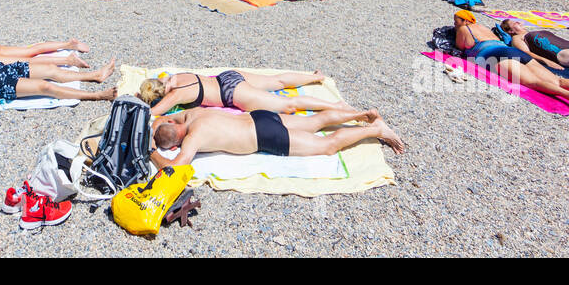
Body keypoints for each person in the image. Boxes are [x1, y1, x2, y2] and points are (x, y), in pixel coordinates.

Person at [451, 10, 569, 114]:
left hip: (493, 55)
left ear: (465, 20)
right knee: (557, 79)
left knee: (532, 81)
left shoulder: (464, 29)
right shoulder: (486, 29)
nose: (454, 23)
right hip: (510, 50)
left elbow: (462, 47)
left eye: (456, 20)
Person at [150, 105, 405, 169]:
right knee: (313, 122)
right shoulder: (192, 115)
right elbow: (160, 119)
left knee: (326, 146)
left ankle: (376, 129)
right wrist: (155, 126)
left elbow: (175, 168)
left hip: (262, 135)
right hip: (259, 117)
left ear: (175, 144)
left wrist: (152, 153)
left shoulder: (193, 138)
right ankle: (363, 114)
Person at [139, 69, 345, 116]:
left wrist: (142, 102)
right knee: (277, 81)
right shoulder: (176, 77)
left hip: (231, 93)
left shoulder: (175, 96)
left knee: (287, 105)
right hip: (227, 77)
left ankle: (335, 107)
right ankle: (315, 77)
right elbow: (166, 80)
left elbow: (152, 113)